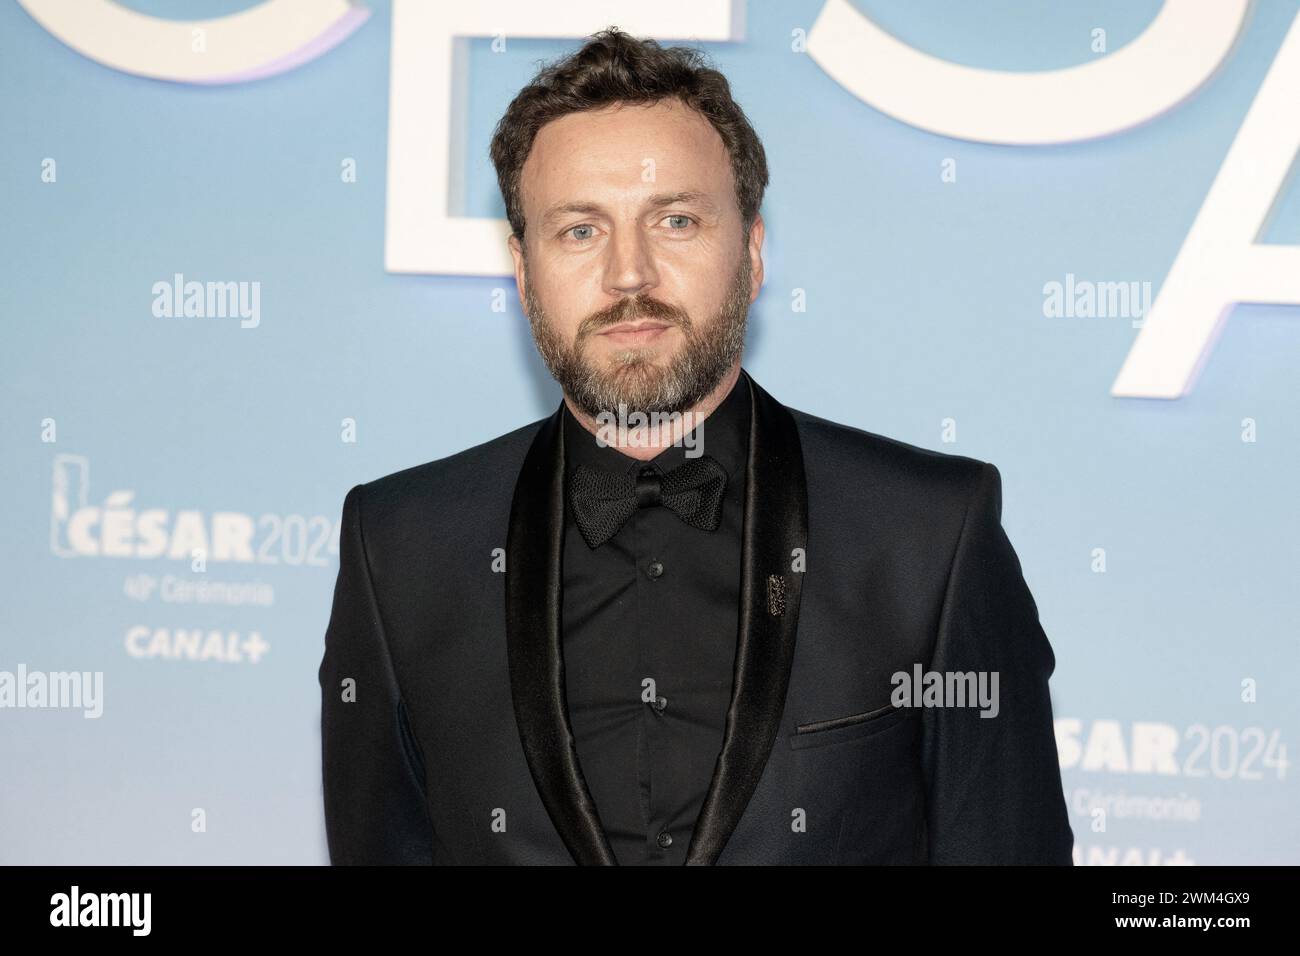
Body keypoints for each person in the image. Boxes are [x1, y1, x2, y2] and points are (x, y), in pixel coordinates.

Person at [318, 27, 1073, 865]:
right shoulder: (400, 548)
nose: (629, 273)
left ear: (751, 253)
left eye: (675, 220)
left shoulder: (929, 537)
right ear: (523, 272)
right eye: (579, 231)